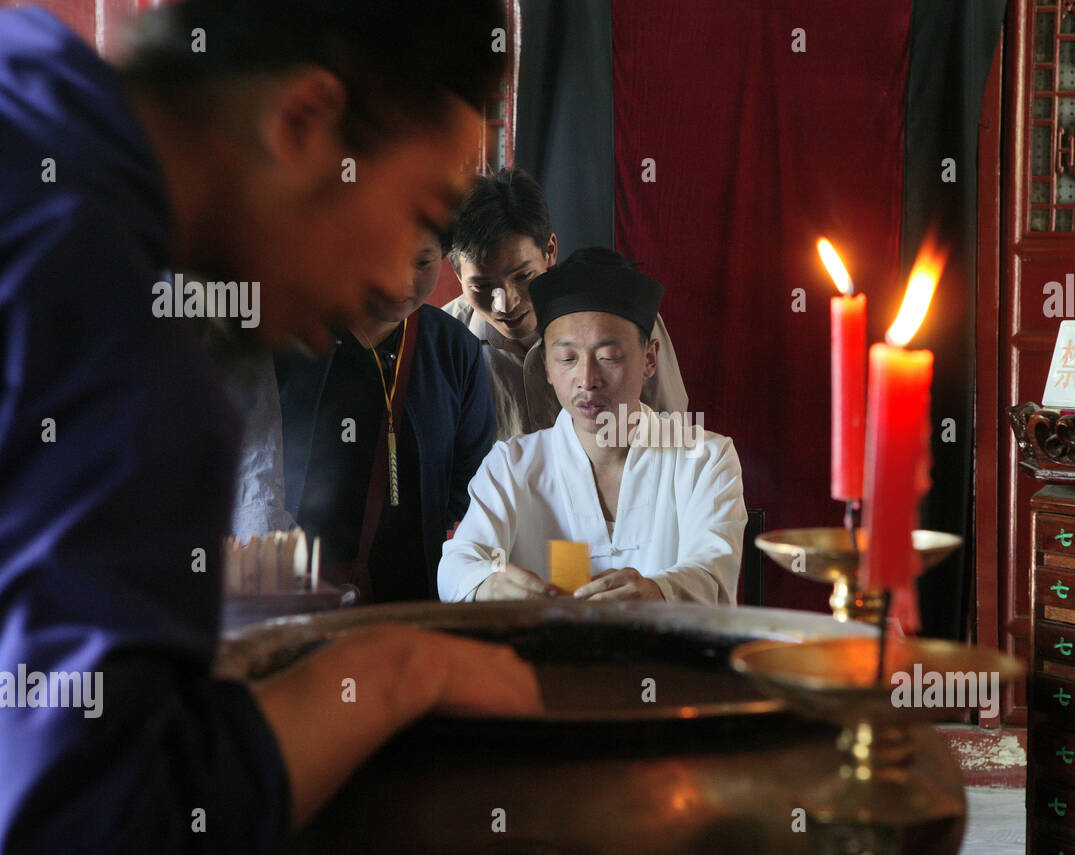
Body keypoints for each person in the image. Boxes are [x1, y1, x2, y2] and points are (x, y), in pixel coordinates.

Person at [0, 1, 539, 855]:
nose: (394, 275)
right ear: (303, 124)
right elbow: (88, 849)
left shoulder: (27, 76)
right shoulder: (124, 338)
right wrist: (401, 672)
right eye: (420, 209)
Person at [439, 249, 746, 605]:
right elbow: (458, 564)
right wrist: (489, 583)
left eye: (608, 356)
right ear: (547, 368)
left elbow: (713, 574)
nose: (586, 380)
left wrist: (659, 591)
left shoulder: (705, 459)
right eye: (567, 358)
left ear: (649, 358)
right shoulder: (512, 464)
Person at [277, 228, 496, 602]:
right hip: (299, 587)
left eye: (423, 262)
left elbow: (472, 470)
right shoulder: (292, 339)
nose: (401, 282)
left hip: (414, 587)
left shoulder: (454, 348)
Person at [443, 168, 690, 440]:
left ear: (549, 251)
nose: (504, 304)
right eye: (482, 287)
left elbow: (670, 435)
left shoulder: (622, 313)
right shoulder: (443, 344)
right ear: (458, 275)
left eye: (523, 276)